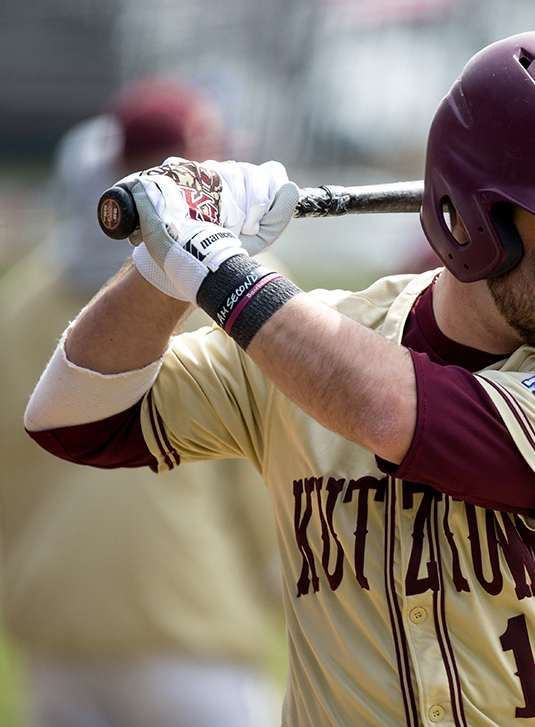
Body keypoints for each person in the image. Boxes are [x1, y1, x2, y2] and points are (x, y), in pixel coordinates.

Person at [23, 31, 535, 725]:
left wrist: (212, 260)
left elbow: (387, 410)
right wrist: (162, 264)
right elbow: (74, 417)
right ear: (473, 222)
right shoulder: (307, 344)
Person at [1, 75, 284, 727]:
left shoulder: (22, 302)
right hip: (188, 618)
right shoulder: (242, 293)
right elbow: (275, 458)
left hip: (56, 624)